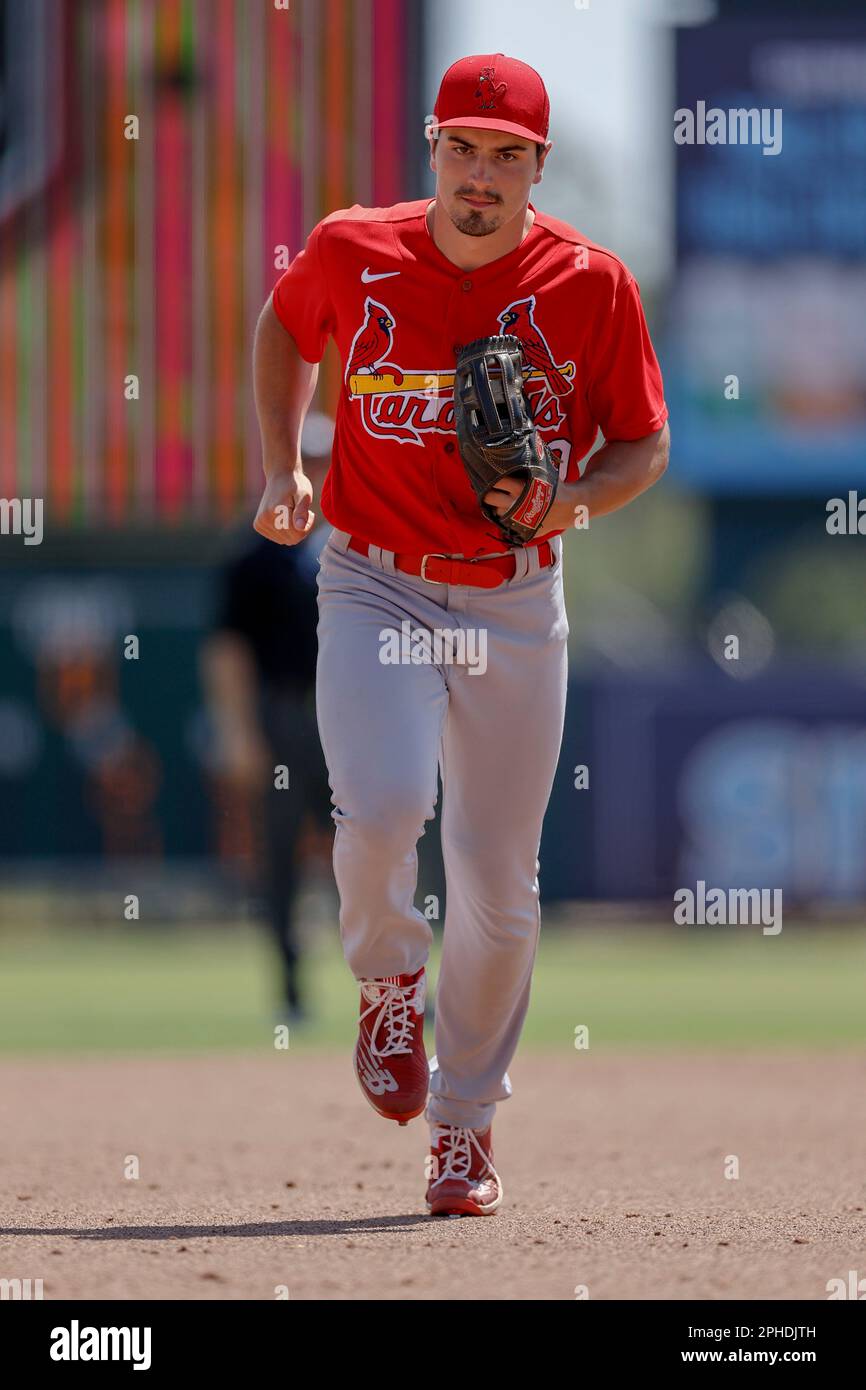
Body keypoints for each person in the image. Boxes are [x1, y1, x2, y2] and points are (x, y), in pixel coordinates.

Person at [251, 53, 669, 1216]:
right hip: (373, 581)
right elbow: (284, 330)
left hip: (512, 596)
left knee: (496, 883)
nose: (479, 173)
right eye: (462, 147)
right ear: (431, 146)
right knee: (383, 804)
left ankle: (465, 1124)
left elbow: (642, 443)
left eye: (506, 154)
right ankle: (389, 983)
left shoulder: (589, 283)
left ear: (537, 166)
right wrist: (284, 465)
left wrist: (566, 502)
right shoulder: (354, 249)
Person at [202, 412, 335, 1022]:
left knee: (372, 849)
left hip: (347, 717)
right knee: (280, 857)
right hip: (281, 716)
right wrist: (238, 731)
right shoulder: (254, 554)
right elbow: (227, 651)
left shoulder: (360, 549)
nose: (319, 473)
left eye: (326, 461)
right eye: (309, 461)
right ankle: (290, 988)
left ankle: (395, 983)